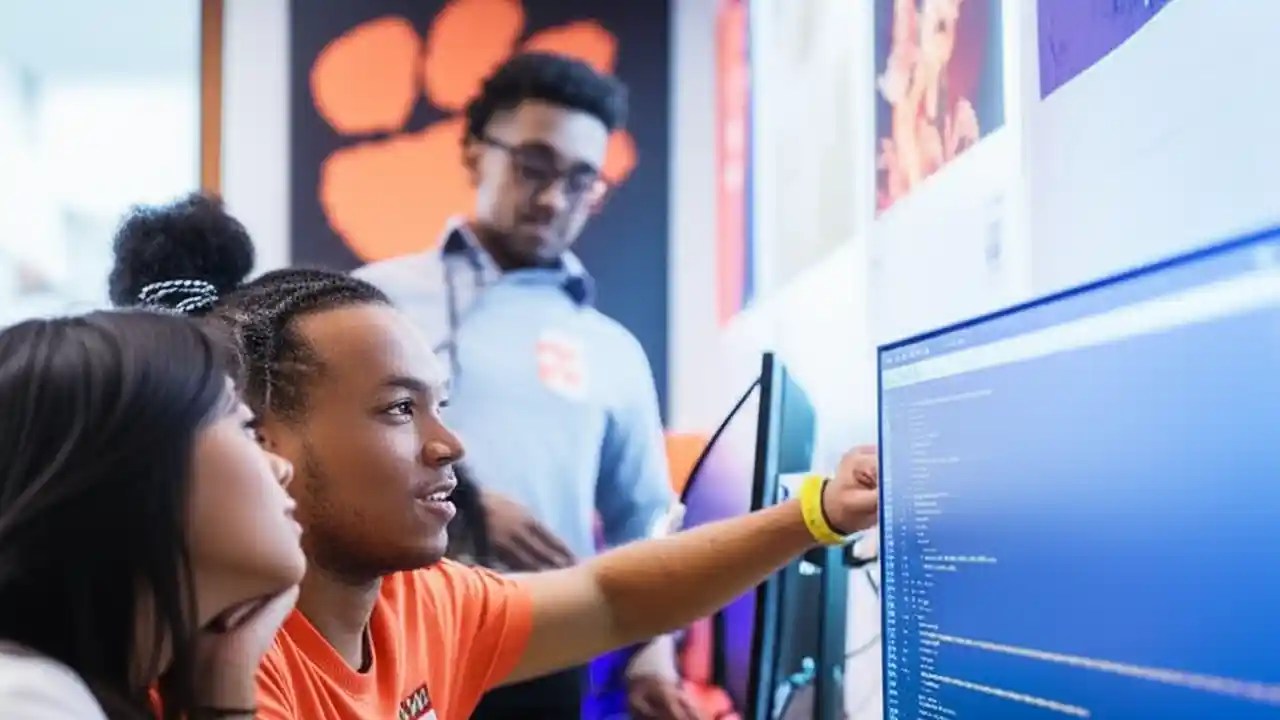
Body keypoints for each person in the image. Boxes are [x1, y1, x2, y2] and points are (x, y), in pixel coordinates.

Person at [108, 196, 879, 720]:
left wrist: (816, 512)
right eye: (399, 409)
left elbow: (613, 598)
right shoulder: (212, 666)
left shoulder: (421, 601)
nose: (449, 445)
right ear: (259, 440)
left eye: (438, 404)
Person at [354, 51, 683, 717]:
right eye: (535, 166)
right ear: (476, 152)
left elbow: (643, 521)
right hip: (383, 646)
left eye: (582, 179)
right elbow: (313, 461)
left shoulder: (612, 349)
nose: (555, 198)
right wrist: (467, 507)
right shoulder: (369, 299)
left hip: (548, 661)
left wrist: (653, 655)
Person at [0, 309, 305, 719]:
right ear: (134, 465)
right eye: (246, 427)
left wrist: (222, 686)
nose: (282, 467)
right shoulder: (27, 702)